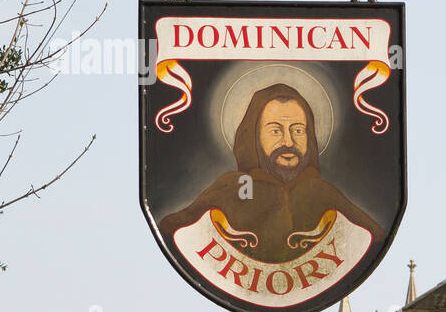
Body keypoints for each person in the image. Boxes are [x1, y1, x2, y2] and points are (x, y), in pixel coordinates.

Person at [159, 82, 383, 264]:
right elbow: (175, 228)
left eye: (297, 130)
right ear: (254, 137)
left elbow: (373, 237)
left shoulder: (324, 193)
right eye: (275, 130)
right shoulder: (234, 188)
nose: (288, 141)